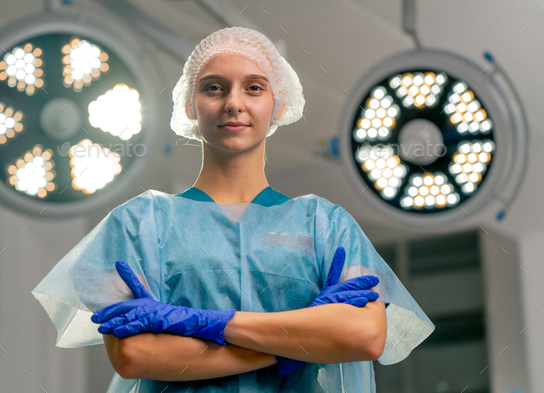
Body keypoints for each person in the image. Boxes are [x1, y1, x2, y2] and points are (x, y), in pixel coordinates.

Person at [32, 26, 434, 392]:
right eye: (214, 88)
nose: (233, 103)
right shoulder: (138, 224)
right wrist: (303, 342)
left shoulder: (325, 226)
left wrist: (201, 324)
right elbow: (135, 356)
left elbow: (365, 336)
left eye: (254, 88)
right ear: (190, 105)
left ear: (278, 105)